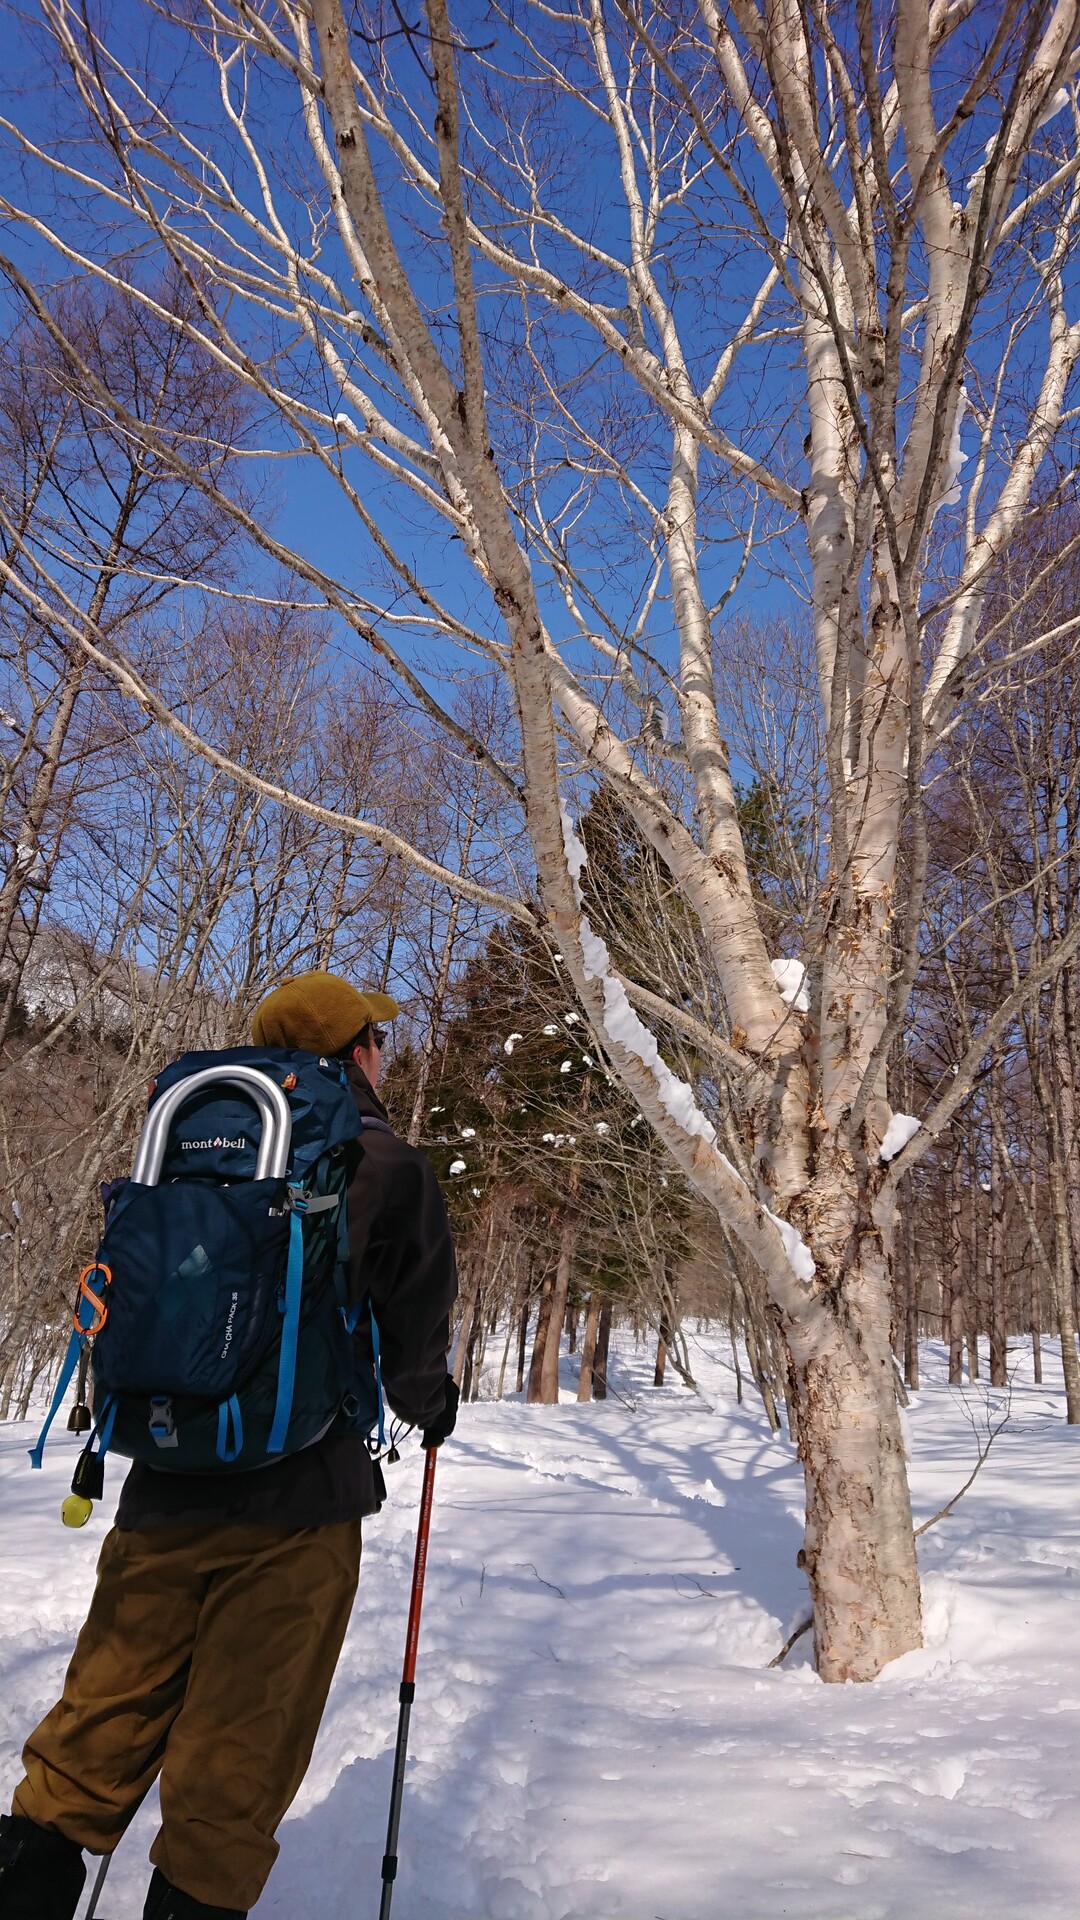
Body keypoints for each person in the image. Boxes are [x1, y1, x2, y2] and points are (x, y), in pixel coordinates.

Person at [0, 973, 459, 1920]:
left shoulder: (184, 1143)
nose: (384, 1054)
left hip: (163, 1483)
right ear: (359, 1050)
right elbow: (414, 1329)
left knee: (91, 1731)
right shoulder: (383, 1162)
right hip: (300, 1505)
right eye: (379, 1040)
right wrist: (431, 1405)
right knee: (233, 1767)